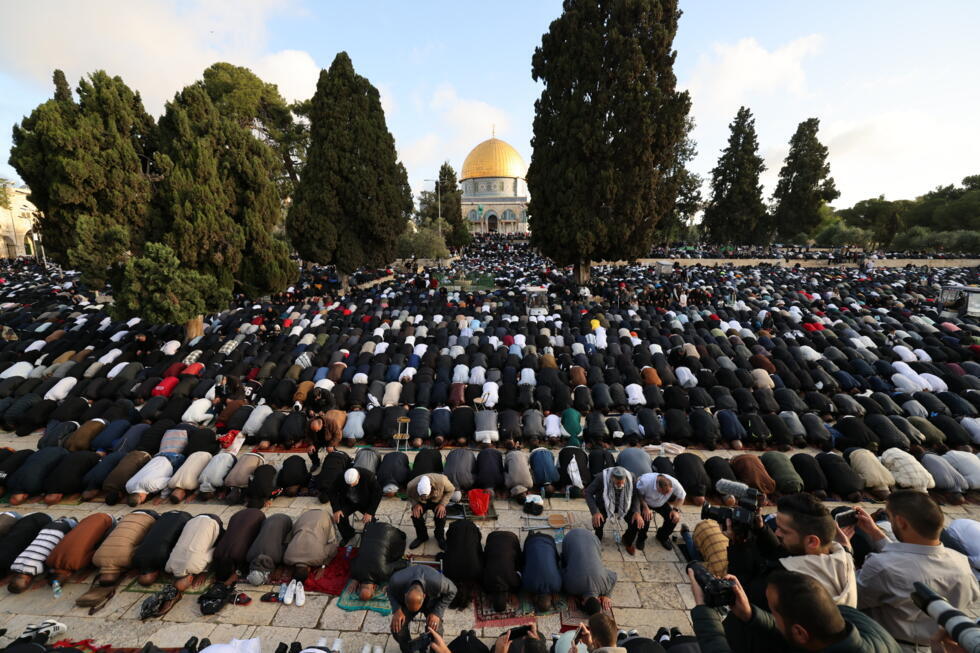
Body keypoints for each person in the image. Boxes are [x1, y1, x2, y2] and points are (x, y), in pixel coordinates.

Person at [851, 491, 980, 650]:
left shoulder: (882, 566)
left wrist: (843, 551)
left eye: (889, 517)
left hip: (886, 645)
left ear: (901, 522)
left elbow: (851, 600)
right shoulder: (962, 563)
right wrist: (876, 534)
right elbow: (911, 559)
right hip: (933, 647)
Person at [689, 568, 900, 652]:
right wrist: (751, 615)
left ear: (800, 632)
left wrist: (704, 611)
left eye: (772, 610)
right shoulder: (852, 620)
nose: (771, 613)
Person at [727, 492, 856, 608]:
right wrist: (761, 529)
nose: (776, 532)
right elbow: (786, 555)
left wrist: (738, 543)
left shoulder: (787, 584)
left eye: (784, 531)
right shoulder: (842, 560)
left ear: (812, 541)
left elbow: (743, 595)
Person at [388, 564, 458, 653]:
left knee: (436, 630)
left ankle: (435, 650)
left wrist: (437, 613)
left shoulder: (439, 582)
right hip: (410, 602)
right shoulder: (396, 580)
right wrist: (397, 609)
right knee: (397, 628)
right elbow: (389, 591)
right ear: (405, 595)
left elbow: (453, 590)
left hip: (431, 602)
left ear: (424, 596)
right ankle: (408, 649)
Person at [584, 466, 647, 556]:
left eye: (622, 483)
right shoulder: (601, 478)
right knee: (597, 520)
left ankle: (627, 541)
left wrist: (637, 511)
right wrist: (595, 511)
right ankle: (598, 537)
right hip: (606, 504)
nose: (620, 485)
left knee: (636, 522)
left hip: (625, 504)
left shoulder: (631, 477)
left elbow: (636, 495)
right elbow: (588, 492)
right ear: (612, 478)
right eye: (617, 483)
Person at [561, 528, 617, 615]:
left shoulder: (605, 586)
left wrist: (607, 595)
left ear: (599, 600)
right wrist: (569, 595)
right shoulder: (571, 588)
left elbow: (614, 576)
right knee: (563, 562)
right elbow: (560, 573)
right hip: (569, 538)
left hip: (592, 537)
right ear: (582, 602)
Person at [349, 520, 409, 601]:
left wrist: (391, 581)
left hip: (391, 532)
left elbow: (404, 563)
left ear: (374, 587)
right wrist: (355, 578)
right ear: (359, 586)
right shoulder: (355, 570)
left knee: (395, 556)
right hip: (370, 528)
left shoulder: (383, 573)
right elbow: (353, 561)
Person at [329, 466, 382, 545]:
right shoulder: (341, 476)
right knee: (339, 517)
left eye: (353, 484)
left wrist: (370, 512)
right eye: (349, 485)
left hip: (365, 502)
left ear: (359, 477)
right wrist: (336, 509)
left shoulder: (368, 476)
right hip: (348, 502)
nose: (351, 486)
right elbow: (331, 491)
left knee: (370, 520)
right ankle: (348, 535)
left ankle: (369, 537)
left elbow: (377, 494)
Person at [635, 472, 685, 551]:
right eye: (663, 493)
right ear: (658, 487)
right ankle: (641, 539)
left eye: (667, 493)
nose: (666, 495)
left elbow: (682, 496)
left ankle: (662, 536)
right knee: (645, 519)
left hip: (661, 503)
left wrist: (675, 510)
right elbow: (638, 494)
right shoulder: (646, 482)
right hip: (646, 502)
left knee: (673, 519)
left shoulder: (674, 483)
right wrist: (645, 507)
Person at [407, 472, 455, 549]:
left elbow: (451, 490)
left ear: (431, 486)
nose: (425, 497)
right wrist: (415, 504)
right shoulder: (411, 485)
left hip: (437, 500)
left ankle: (439, 536)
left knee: (441, 515)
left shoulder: (442, 480)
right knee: (416, 515)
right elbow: (409, 495)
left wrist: (442, 504)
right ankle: (422, 537)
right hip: (420, 502)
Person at [521, 532, 563, 613]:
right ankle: (531, 535)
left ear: (551, 598)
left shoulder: (557, 586)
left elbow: (558, 567)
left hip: (549, 539)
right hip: (531, 541)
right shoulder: (528, 586)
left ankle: (533, 535)